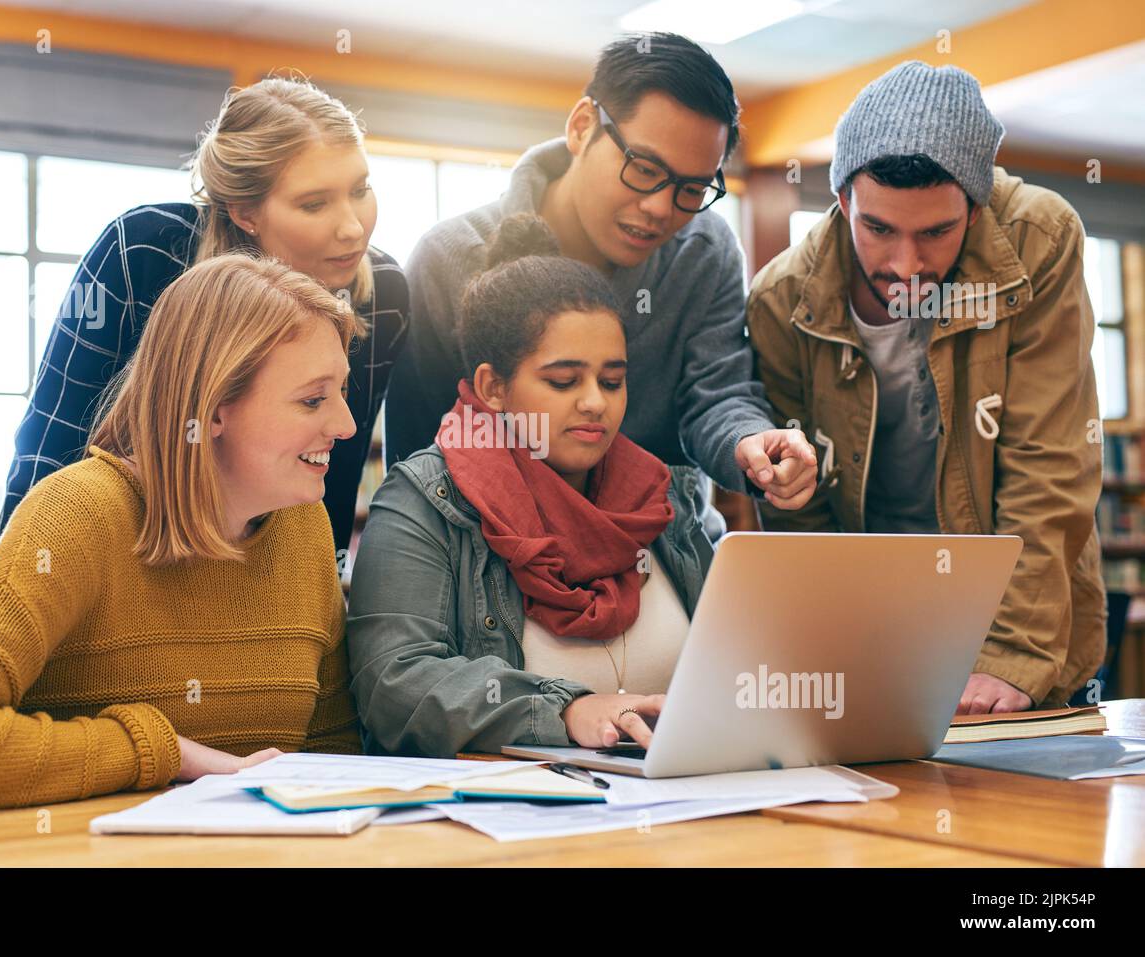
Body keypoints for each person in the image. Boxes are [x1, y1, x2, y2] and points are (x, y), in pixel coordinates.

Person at [0, 255, 362, 813]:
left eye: (342, 392)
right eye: (313, 399)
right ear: (214, 408)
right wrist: (165, 753)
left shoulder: (301, 524)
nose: (346, 424)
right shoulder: (76, 516)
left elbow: (330, 753)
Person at [746, 61, 1106, 713]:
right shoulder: (781, 300)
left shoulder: (1040, 241)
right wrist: (836, 654)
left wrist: (1013, 655)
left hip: (1025, 622)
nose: (904, 265)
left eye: (935, 232)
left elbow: (1048, 465)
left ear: (976, 205)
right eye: (879, 228)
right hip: (873, 631)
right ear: (843, 201)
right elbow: (799, 508)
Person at [384, 33, 816, 537]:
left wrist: (750, 440)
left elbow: (717, 393)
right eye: (645, 168)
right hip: (499, 567)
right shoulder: (451, 258)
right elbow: (417, 464)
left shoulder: (706, 249)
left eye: (692, 188)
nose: (661, 208)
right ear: (582, 125)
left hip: (667, 555)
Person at [347, 215, 715, 757]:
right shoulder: (424, 502)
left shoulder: (666, 498)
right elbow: (393, 684)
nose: (596, 401)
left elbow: (737, 655)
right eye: (564, 381)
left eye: (612, 380)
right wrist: (566, 710)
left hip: (689, 805)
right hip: (512, 824)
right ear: (492, 388)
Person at [0, 76, 407, 553]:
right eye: (314, 203)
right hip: (126, 553)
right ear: (245, 212)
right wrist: (28, 575)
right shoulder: (142, 254)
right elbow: (51, 449)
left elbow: (333, 472)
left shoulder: (384, 293)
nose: (353, 227)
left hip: (272, 576)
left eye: (360, 189)